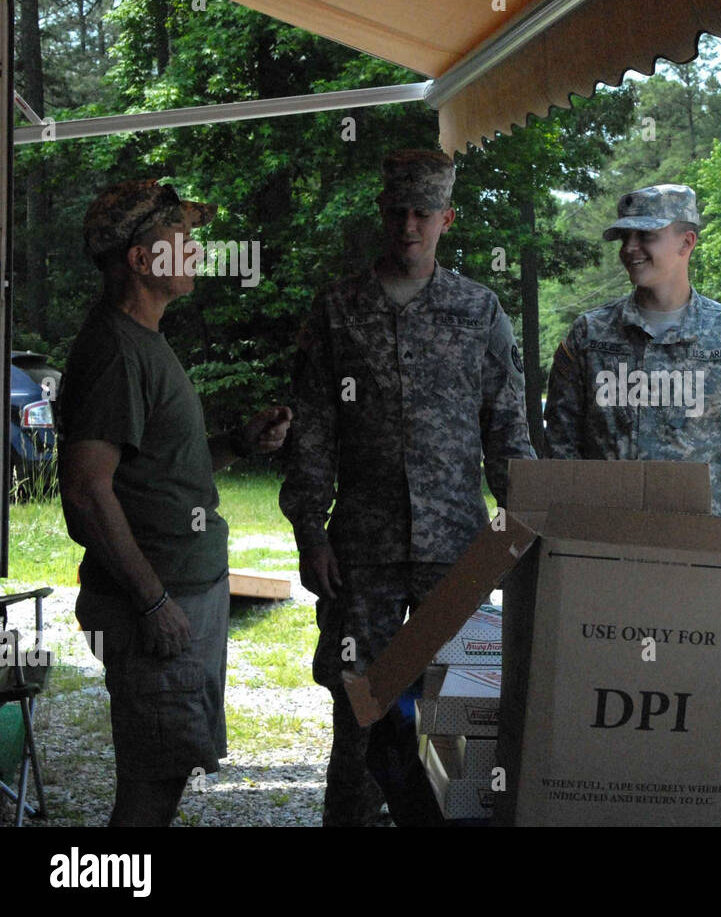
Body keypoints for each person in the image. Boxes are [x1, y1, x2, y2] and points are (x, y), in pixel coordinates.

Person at [279, 149, 535, 826]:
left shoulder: (478, 311)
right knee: (360, 711)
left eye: (424, 214)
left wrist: (523, 529)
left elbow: (506, 428)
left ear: (447, 219)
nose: (410, 226)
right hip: (362, 555)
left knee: (458, 714)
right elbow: (312, 430)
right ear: (382, 214)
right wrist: (309, 530)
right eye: (398, 212)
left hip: (455, 552)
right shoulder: (338, 309)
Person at [59, 180, 292, 826]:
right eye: (180, 237)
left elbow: (155, 471)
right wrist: (153, 601)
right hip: (156, 607)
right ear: (140, 259)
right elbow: (85, 488)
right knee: (151, 787)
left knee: (165, 773)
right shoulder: (115, 350)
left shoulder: (143, 341)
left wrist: (239, 443)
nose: (194, 249)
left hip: (181, 597)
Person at [544, 184, 721, 522]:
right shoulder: (590, 334)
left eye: (645, 235)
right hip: (602, 537)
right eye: (625, 237)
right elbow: (560, 448)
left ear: (687, 242)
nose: (630, 248)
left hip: (695, 543)